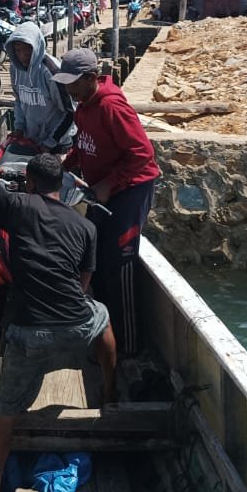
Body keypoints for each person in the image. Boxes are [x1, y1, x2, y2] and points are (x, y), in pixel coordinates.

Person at [0, 153, 116, 492]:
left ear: (31, 183)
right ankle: (111, 390)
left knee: (5, 415)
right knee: (102, 317)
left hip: (30, 336)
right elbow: (84, 287)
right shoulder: (86, 227)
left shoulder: (19, 204)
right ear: (62, 185)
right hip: (77, 328)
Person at [53, 49, 160, 357]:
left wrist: (108, 184)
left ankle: (128, 348)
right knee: (95, 258)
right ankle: (103, 333)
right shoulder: (83, 106)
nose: (68, 90)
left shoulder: (112, 107)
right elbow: (82, 146)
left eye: (73, 83)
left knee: (119, 264)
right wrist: (62, 167)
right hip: (104, 190)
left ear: (90, 79)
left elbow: (143, 156)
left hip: (131, 190)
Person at [6, 21, 74, 153]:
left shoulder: (52, 71)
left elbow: (70, 113)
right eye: (18, 50)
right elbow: (19, 100)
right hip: (31, 141)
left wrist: (50, 143)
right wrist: (19, 128)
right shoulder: (15, 68)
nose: (22, 55)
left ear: (37, 46)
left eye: (27, 49)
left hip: (56, 144)